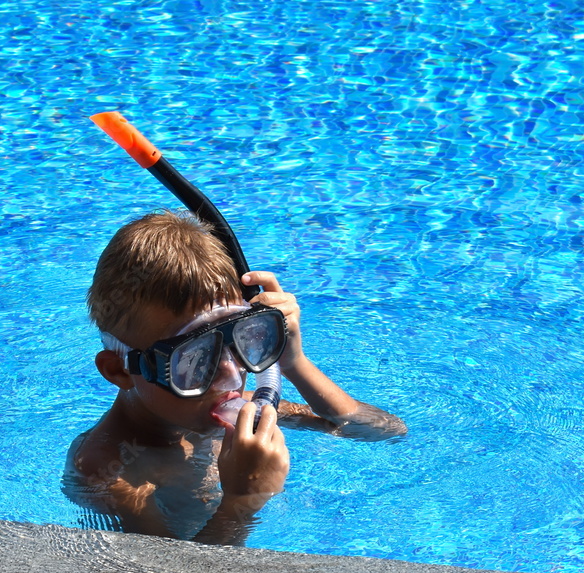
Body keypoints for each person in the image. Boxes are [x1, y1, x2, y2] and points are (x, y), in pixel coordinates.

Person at [64, 210, 405, 545]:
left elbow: (381, 430)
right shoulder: (107, 471)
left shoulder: (228, 407)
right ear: (120, 370)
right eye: (196, 359)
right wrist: (243, 502)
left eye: (246, 339)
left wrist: (294, 361)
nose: (232, 375)